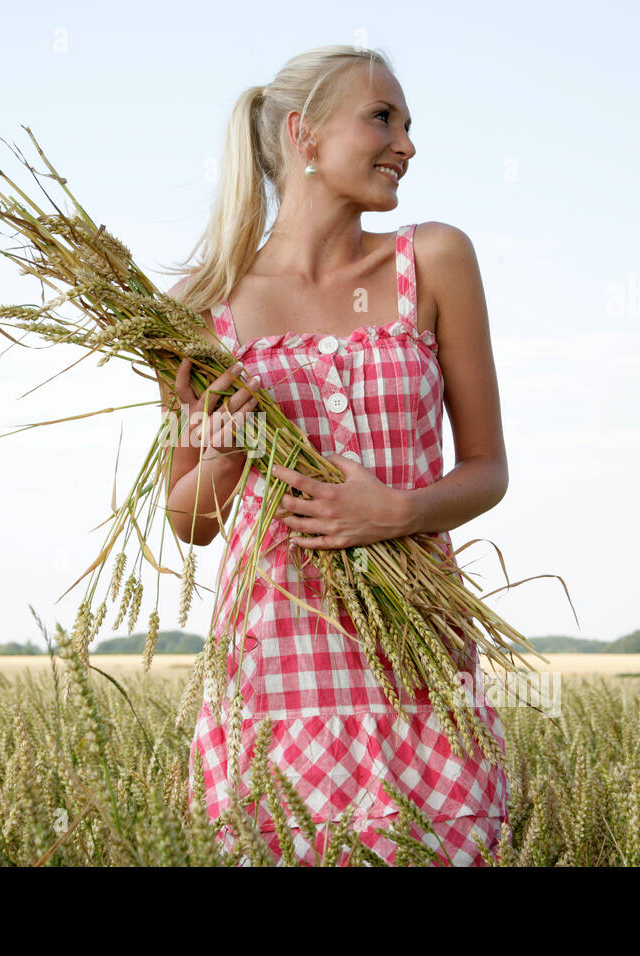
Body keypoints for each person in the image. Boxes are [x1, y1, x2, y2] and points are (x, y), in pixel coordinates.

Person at [157, 44, 511, 866]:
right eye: (382, 118)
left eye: (409, 125)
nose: (407, 144)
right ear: (303, 134)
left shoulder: (435, 260)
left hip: (419, 656)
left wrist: (401, 510)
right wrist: (233, 447)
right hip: (278, 662)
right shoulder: (201, 305)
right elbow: (192, 521)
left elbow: (488, 468)